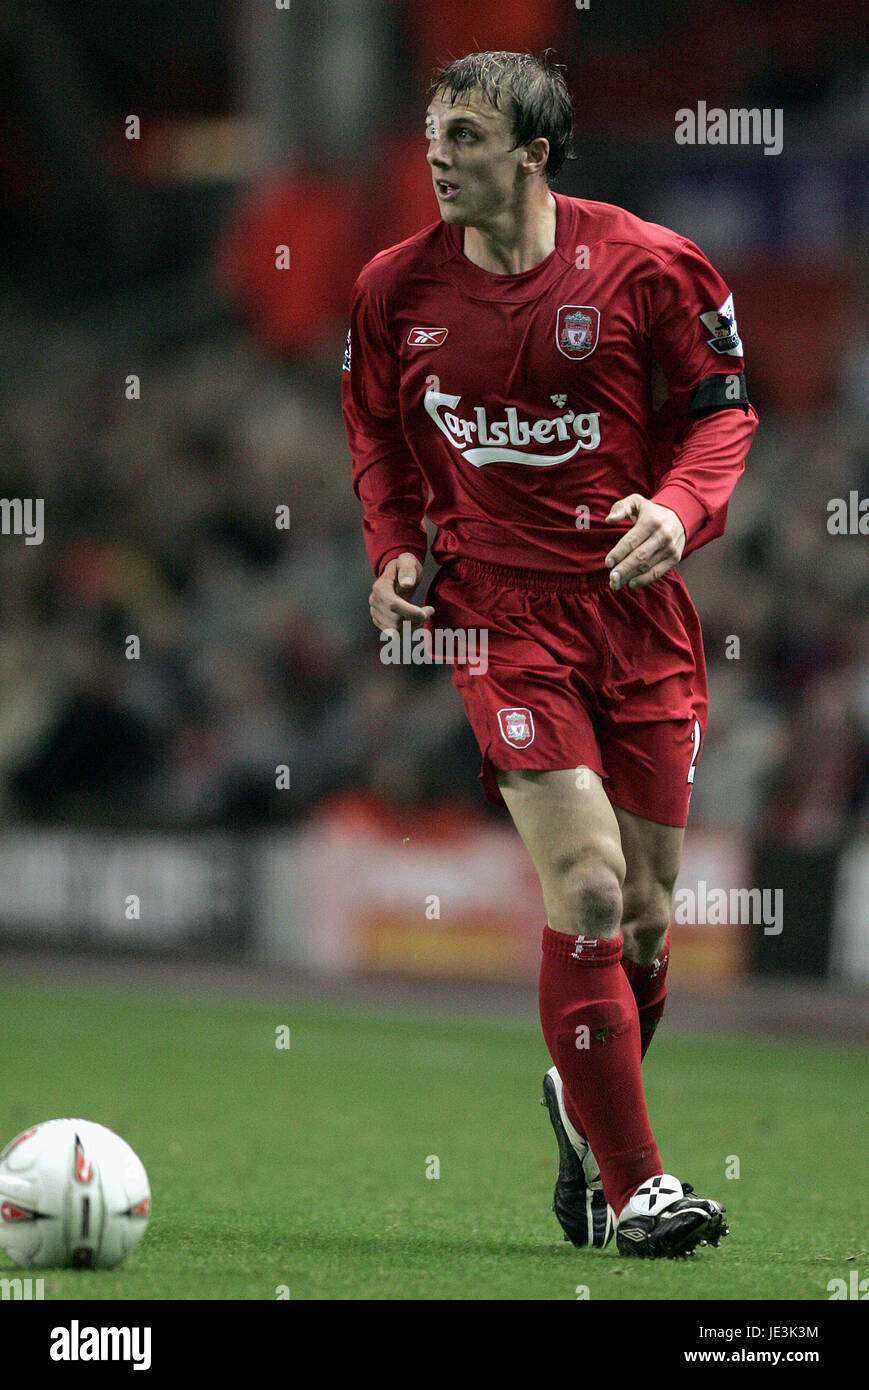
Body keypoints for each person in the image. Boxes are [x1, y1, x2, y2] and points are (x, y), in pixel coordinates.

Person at [342, 50, 758, 1258]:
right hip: (496, 613)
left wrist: (677, 510)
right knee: (580, 885)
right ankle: (640, 1189)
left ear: (532, 153)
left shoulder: (648, 265)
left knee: (638, 918)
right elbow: (372, 419)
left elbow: (722, 411)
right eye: (431, 133)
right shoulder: (392, 288)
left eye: (465, 137)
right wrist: (392, 545)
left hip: (634, 611)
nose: (437, 156)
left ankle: (580, 1112)